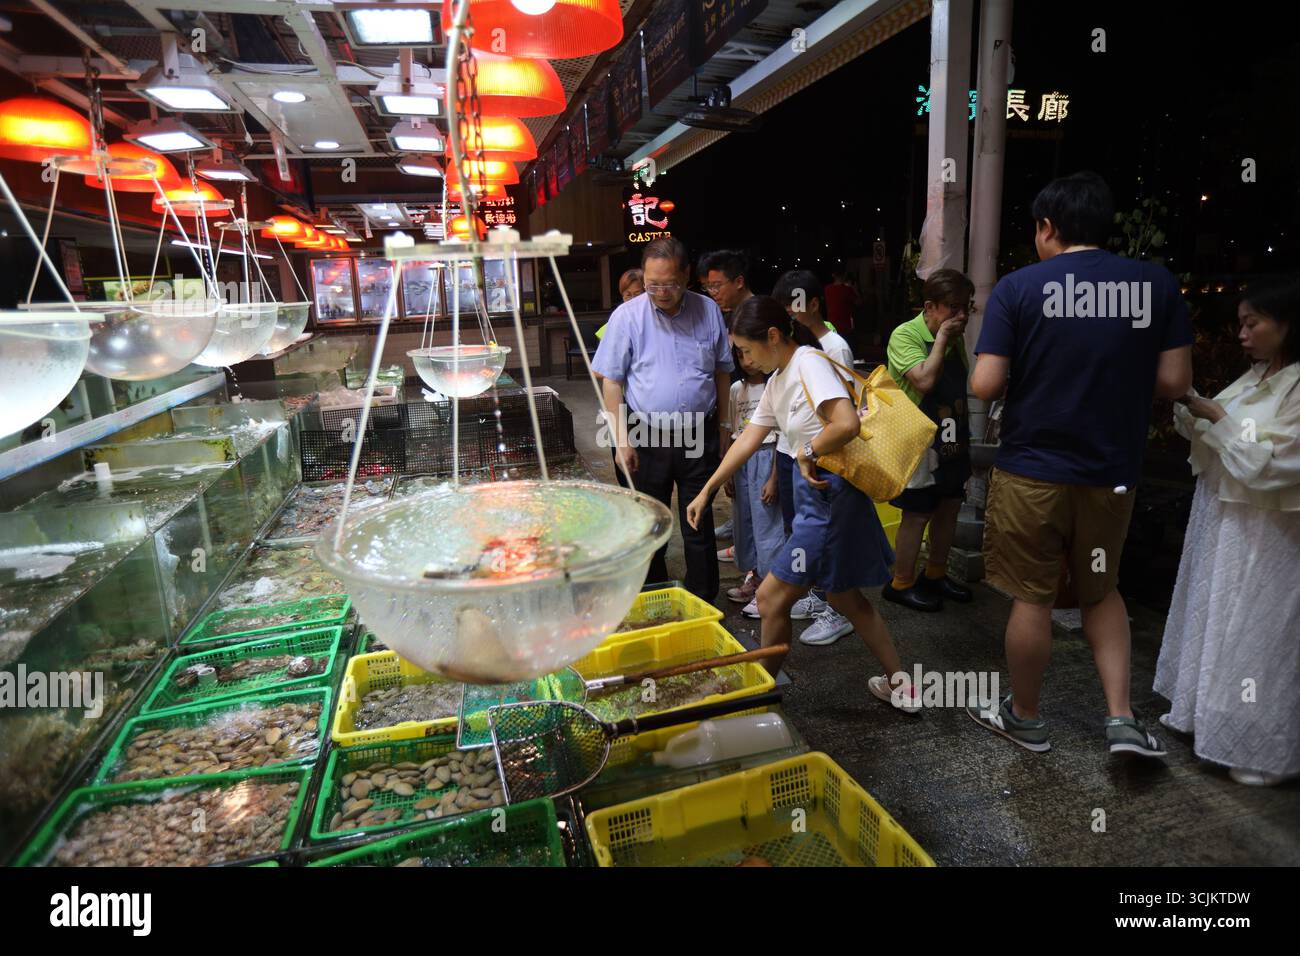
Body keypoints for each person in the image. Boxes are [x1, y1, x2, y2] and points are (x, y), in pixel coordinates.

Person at [967, 170, 1193, 757]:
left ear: (1047, 227)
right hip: (1111, 471)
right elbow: (1173, 382)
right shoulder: (1155, 285)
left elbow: (986, 383)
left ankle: (1026, 718)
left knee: (1032, 596)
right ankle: (1121, 721)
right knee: (1101, 590)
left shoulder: (1018, 289)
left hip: (1032, 472)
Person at [685, 296, 919, 712]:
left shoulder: (809, 363)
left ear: (773, 336)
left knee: (773, 599)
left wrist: (808, 450)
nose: (743, 358)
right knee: (847, 598)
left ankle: (759, 692)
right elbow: (748, 439)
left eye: (745, 349)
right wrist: (707, 489)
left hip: (827, 500)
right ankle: (903, 687)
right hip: (823, 501)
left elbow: (845, 423)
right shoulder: (779, 380)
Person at [1155, 279, 1300, 786]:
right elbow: (1226, 439)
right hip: (1228, 522)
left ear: (1286, 324)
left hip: (1270, 531)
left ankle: (1260, 746)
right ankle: (1208, 717)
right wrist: (1195, 408)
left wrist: (1215, 415)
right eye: (1240, 322)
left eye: (1252, 323)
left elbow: (1275, 461)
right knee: (1220, 621)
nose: (1242, 333)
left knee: (1260, 635)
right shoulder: (1256, 377)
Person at [593, 238, 733, 602]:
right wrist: (621, 440)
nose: (660, 292)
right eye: (652, 284)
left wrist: (724, 430)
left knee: (698, 522)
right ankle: (652, 596)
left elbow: (721, 373)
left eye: (668, 284)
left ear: (687, 276)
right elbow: (612, 381)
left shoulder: (708, 311)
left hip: (699, 432)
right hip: (644, 433)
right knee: (648, 524)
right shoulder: (626, 316)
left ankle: (703, 600)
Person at [765, 269, 857, 645]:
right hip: (794, 454)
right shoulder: (793, 351)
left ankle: (835, 608)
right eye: (784, 307)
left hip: (824, 460)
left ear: (814, 303)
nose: (790, 313)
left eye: (795, 305)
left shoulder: (832, 347)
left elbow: (849, 414)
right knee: (799, 532)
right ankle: (817, 595)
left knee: (828, 537)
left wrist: (812, 451)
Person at [884, 269, 976, 612]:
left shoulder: (956, 337)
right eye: (953, 308)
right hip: (919, 439)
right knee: (917, 512)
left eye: (966, 308)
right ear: (929, 306)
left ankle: (935, 574)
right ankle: (901, 582)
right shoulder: (905, 335)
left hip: (952, 432)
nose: (961, 316)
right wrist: (940, 341)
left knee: (950, 506)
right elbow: (922, 381)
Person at [723, 343, 785, 610]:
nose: (747, 360)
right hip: (742, 459)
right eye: (740, 354)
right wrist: (727, 471)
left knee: (767, 522)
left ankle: (771, 588)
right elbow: (730, 429)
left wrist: (774, 477)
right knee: (745, 520)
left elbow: (782, 435)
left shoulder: (776, 386)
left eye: (750, 352)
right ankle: (755, 575)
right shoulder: (737, 389)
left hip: (767, 454)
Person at [700, 250, 755, 325]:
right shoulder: (727, 317)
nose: (712, 292)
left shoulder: (759, 314)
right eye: (708, 287)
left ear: (739, 282)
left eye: (716, 285)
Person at [824, 269, 860, 338]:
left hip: (831, 326)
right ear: (844, 276)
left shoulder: (827, 289)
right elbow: (859, 302)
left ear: (833, 275)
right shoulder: (847, 290)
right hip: (845, 328)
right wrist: (855, 289)